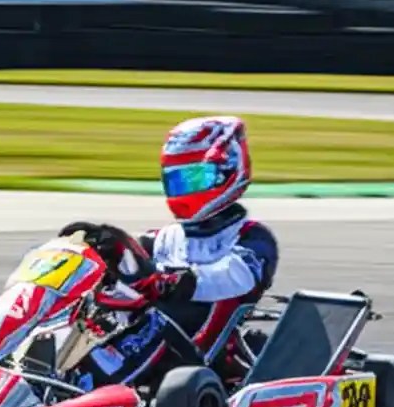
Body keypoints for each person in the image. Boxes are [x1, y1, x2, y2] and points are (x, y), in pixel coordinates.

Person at [62, 116, 279, 391]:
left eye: (195, 179)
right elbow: (132, 261)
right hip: (146, 344)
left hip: (195, 352)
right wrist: (103, 251)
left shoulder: (252, 238)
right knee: (83, 301)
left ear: (227, 170)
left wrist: (168, 283)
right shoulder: (166, 238)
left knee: (159, 317)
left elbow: (232, 277)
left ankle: (85, 386)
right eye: (177, 181)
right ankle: (38, 368)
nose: (186, 190)